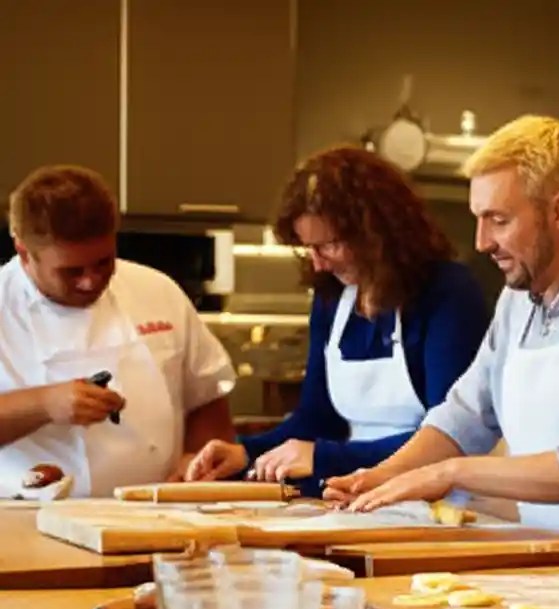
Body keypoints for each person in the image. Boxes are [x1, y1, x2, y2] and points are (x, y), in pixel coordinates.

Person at [324, 115, 559, 534]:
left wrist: (450, 474)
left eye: (499, 220)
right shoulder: (518, 300)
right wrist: (382, 477)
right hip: (546, 556)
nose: (482, 243)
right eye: (479, 219)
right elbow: (467, 415)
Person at [185, 147, 488, 497]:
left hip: (439, 503)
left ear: (377, 231)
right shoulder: (333, 299)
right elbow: (317, 419)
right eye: (308, 248)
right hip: (356, 496)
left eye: (328, 245)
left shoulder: (447, 292)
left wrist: (325, 457)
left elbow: (451, 437)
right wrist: (245, 453)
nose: (318, 264)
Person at [0, 165, 236, 496]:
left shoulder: (156, 290)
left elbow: (206, 397)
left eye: (103, 262)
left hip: (154, 514)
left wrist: (197, 460)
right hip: (23, 519)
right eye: (71, 271)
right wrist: (44, 404)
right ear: (24, 252)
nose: (90, 280)